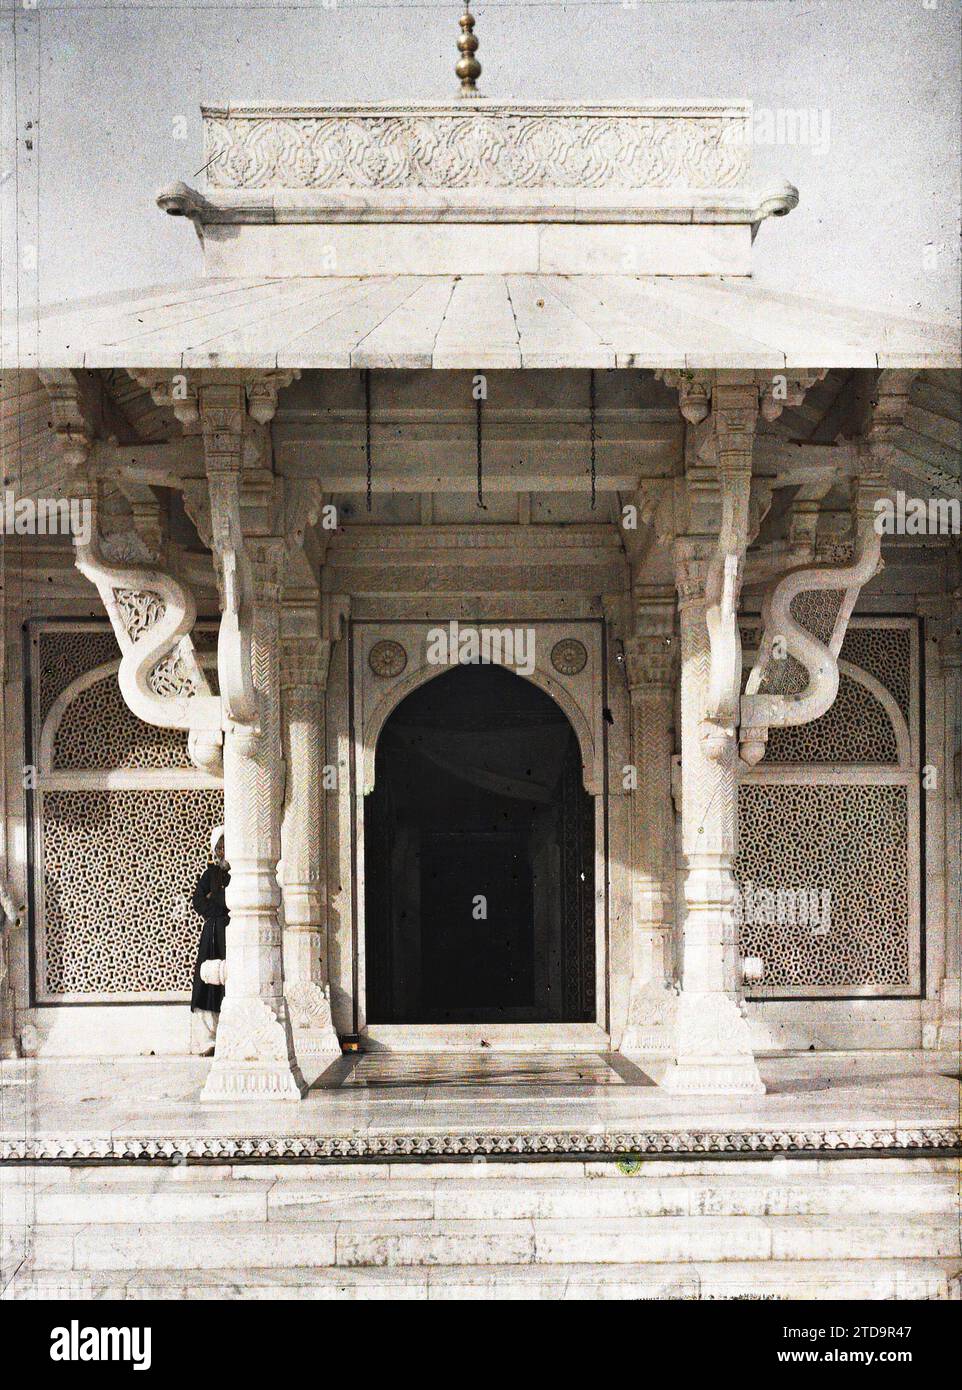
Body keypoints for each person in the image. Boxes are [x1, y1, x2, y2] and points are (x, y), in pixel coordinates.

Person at [191, 825, 229, 1056]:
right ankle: (207, 1042)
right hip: (211, 935)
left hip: (229, 934)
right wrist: (218, 901)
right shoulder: (209, 875)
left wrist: (214, 897)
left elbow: (228, 900)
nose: (223, 851)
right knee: (206, 985)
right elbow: (198, 902)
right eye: (220, 847)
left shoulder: (237, 873)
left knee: (228, 982)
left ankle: (226, 1038)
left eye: (226, 846)